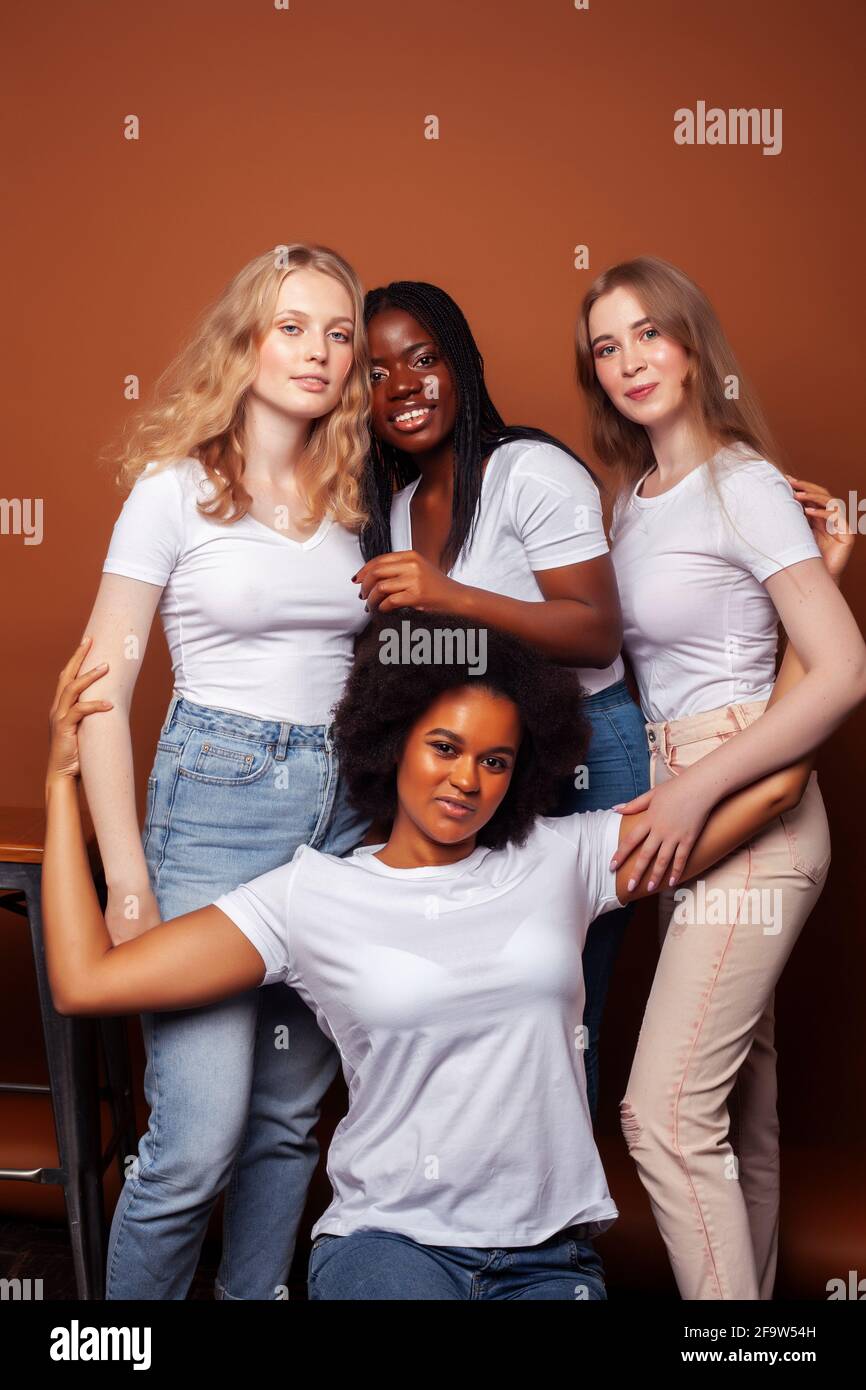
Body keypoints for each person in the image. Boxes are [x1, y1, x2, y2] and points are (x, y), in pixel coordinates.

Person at [44, 609, 822, 1301]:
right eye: (444, 747)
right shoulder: (310, 897)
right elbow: (84, 982)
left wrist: (811, 612)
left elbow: (778, 785)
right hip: (388, 1248)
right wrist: (60, 783)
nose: (466, 780)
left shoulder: (567, 857)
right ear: (393, 740)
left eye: (494, 761)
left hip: (547, 1260)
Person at [77, 243, 374, 1300]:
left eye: (339, 333)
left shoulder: (354, 490)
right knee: (194, 1142)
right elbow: (96, 693)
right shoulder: (172, 488)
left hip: (339, 823)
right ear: (245, 341)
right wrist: (127, 881)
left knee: (289, 1124)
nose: (320, 351)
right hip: (215, 809)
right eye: (293, 326)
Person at [575, 253, 866, 1298]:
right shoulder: (632, 498)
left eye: (647, 332)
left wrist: (693, 790)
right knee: (739, 1109)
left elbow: (842, 669)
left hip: (739, 800)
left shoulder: (740, 482)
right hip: (680, 796)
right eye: (605, 347)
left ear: (692, 345)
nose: (628, 360)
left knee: (660, 1113)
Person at [354, 279, 649, 1125]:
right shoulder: (402, 509)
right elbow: (457, 659)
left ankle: (558, 1247)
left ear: (462, 365)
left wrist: (446, 597)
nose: (403, 385)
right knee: (487, 1012)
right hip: (491, 765)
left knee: (562, 1015)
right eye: (376, 373)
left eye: (422, 357)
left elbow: (594, 634)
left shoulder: (531, 469)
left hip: (588, 755)